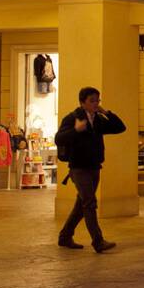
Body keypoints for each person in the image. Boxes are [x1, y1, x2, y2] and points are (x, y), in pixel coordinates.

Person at [55, 86, 126, 252]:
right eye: (92, 101)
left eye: (97, 100)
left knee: (82, 205)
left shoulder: (98, 120)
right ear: (82, 102)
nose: (95, 103)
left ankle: (65, 237)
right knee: (90, 203)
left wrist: (106, 112)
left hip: (94, 166)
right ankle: (98, 241)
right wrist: (76, 130)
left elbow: (120, 127)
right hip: (79, 168)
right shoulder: (72, 118)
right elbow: (59, 139)